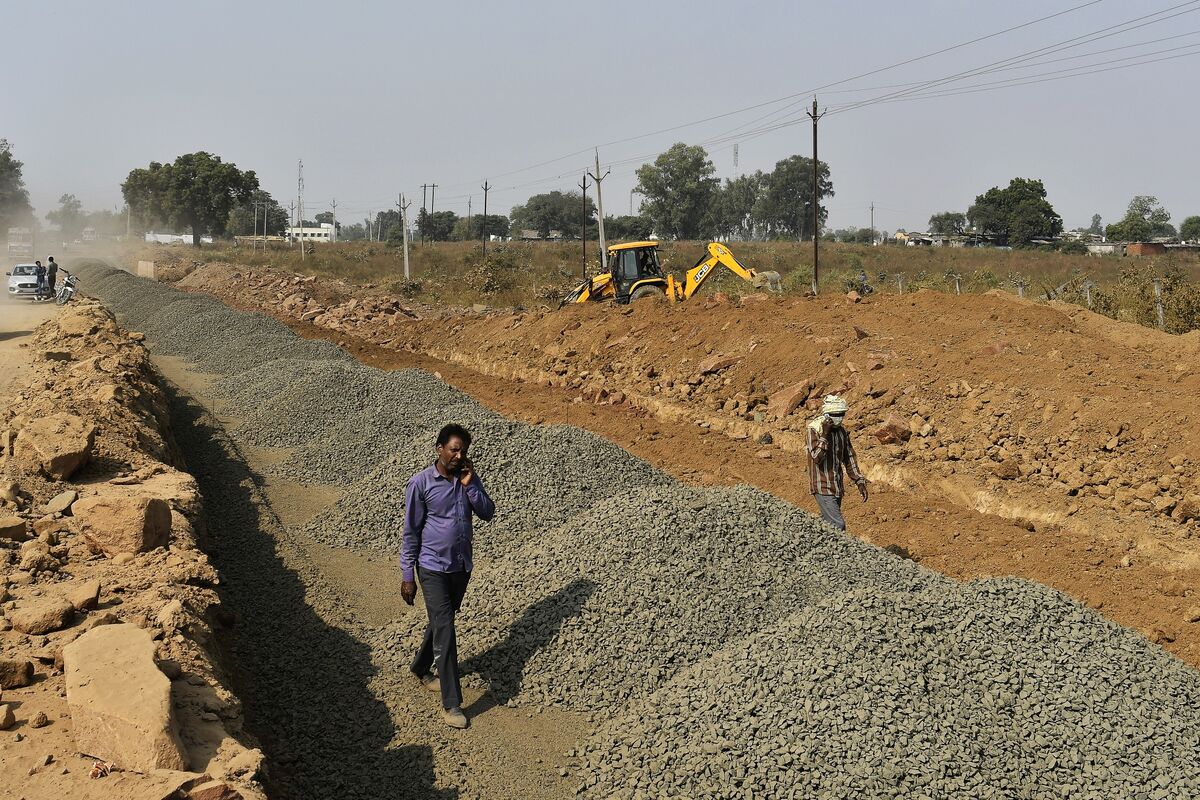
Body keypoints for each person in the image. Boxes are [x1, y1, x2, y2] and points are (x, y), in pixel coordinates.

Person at [401, 423, 495, 729]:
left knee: (442, 621)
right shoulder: (421, 484)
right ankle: (451, 703)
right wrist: (407, 575)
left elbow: (487, 512)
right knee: (446, 628)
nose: (458, 455)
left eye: (463, 451)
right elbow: (411, 532)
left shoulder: (467, 479)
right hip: (431, 568)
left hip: (460, 567)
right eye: (454, 449)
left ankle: (419, 667)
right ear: (439, 448)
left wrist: (470, 485)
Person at [806, 395, 868, 531]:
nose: (839, 418)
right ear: (827, 415)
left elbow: (849, 457)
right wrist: (825, 435)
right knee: (837, 525)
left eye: (842, 414)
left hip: (837, 486)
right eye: (835, 415)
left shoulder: (841, 432)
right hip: (822, 485)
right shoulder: (815, 430)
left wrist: (859, 481)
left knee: (827, 524)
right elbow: (816, 457)